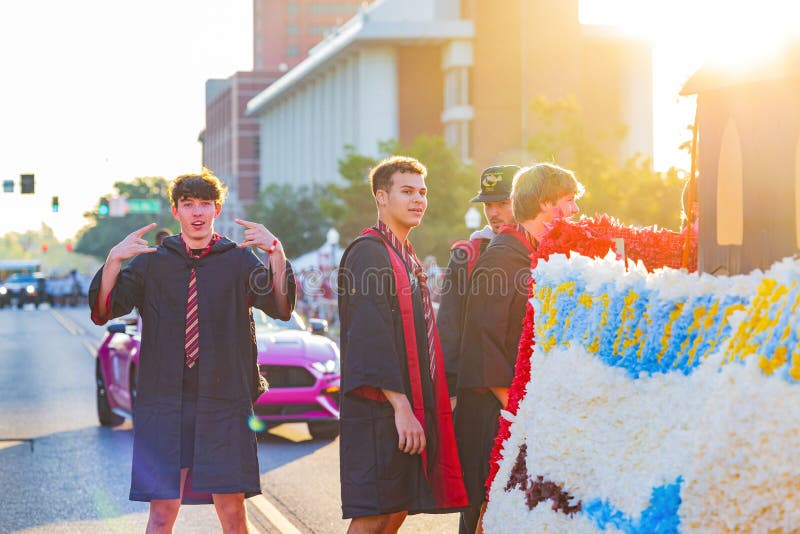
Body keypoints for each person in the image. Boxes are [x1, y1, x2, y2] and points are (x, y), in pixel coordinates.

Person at [88, 169, 295, 533]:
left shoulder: (238, 259)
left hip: (223, 400)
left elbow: (280, 306)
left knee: (232, 511)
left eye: (205, 204)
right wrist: (114, 260)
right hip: (166, 402)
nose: (197, 212)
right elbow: (104, 310)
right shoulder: (152, 262)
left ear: (217, 209)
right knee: (162, 512)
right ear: (176, 210)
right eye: (188, 204)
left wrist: (275, 252)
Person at [337, 156, 468, 533]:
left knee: (396, 509)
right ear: (381, 197)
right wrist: (401, 408)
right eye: (407, 191)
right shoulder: (369, 252)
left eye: (422, 193)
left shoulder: (403, 254)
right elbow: (370, 336)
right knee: (374, 513)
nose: (418, 200)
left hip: (406, 404)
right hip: (380, 408)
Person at [455, 163, 584, 533]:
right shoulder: (500, 258)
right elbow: (484, 345)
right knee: (487, 516)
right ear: (544, 202)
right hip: (497, 416)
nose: (574, 209)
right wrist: (519, 414)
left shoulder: (534, 253)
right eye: (568, 200)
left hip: (519, 413)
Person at [437, 165, 518, 415]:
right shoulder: (467, 255)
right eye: (488, 205)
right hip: (479, 397)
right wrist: (451, 394)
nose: (493, 212)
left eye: (503, 203)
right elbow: (449, 326)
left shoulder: (542, 251)